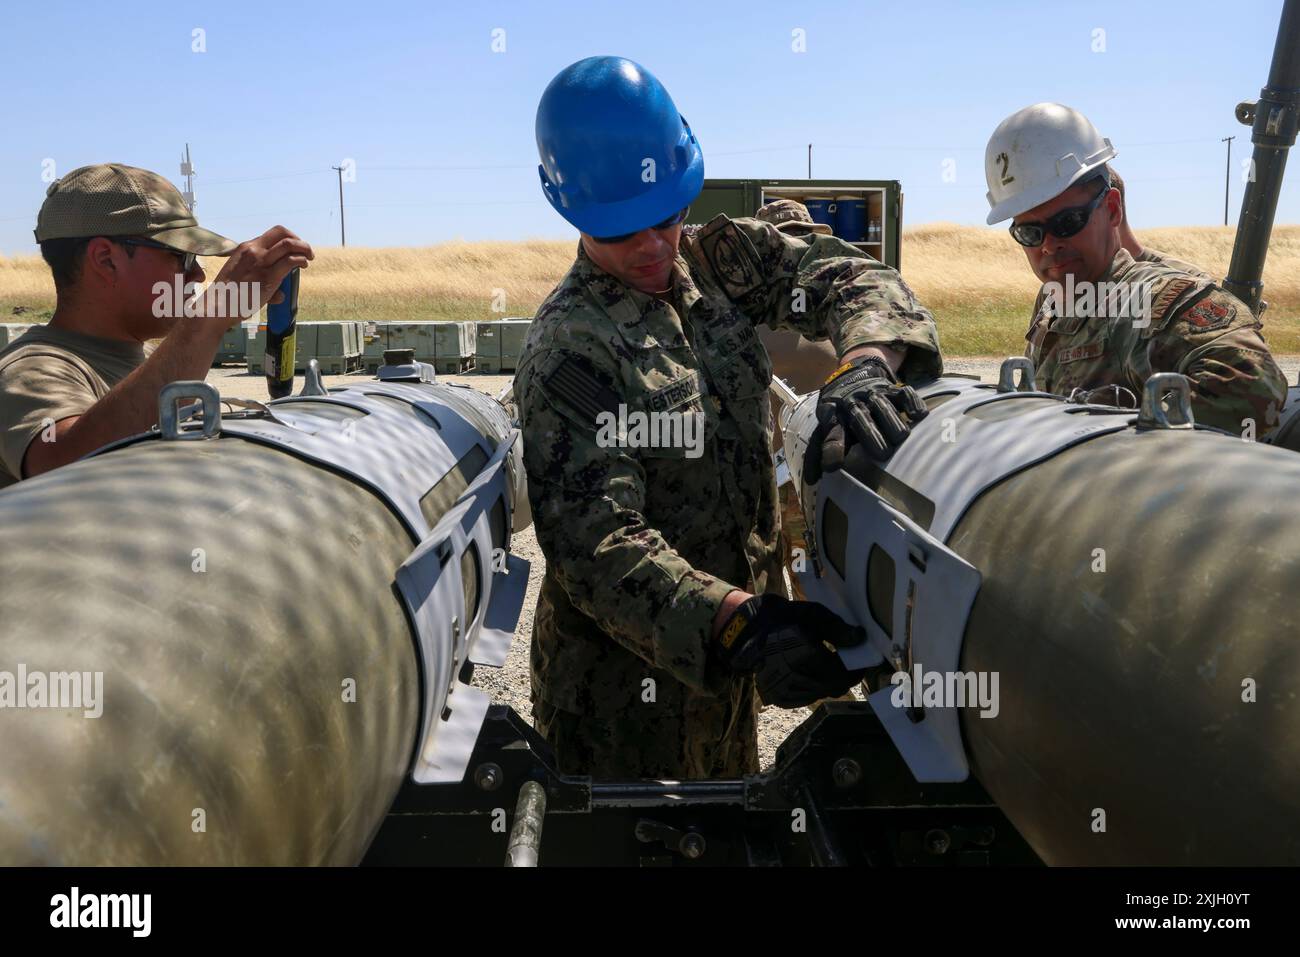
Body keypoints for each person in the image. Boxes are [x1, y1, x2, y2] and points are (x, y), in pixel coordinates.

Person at [515, 56, 942, 779]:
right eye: (624, 233)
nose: (655, 246)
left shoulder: (719, 263)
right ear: (571, 211)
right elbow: (599, 545)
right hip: (622, 704)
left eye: (669, 216)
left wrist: (866, 358)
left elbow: (849, 276)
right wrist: (740, 623)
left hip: (724, 691)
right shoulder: (569, 349)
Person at [0, 163, 313, 488]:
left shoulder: (155, 358)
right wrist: (211, 315)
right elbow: (63, 469)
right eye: (183, 257)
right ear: (106, 259)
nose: (198, 276)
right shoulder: (31, 370)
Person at [985, 103, 1285, 432]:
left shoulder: (1155, 299)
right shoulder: (1052, 301)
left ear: (1112, 210)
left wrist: (1126, 447)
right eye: (1030, 233)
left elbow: (1255, 385)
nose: (1048, 244)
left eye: (1068, 222)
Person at [752, 199, 839, 601]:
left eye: (803, 239)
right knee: (762, 585)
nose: (795, 249)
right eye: (783, 240)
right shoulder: (741, 315)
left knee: (814, 582)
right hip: (762, 479)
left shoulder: (837, 307)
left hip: (819, 472)